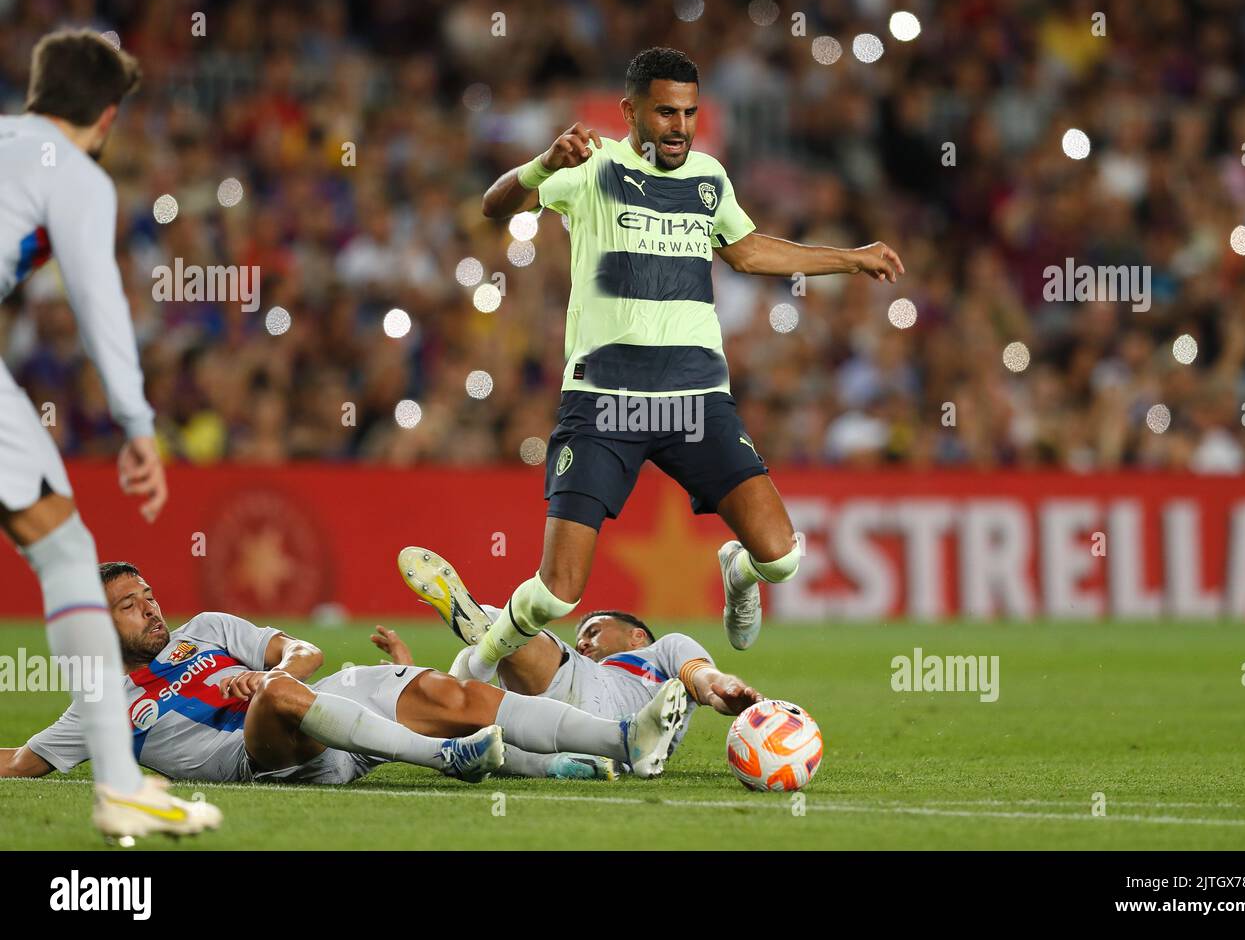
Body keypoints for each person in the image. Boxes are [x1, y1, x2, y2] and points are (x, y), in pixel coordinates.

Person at [476, 46, 903, 680]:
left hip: (696, 402)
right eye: (666, 112)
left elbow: (749, 252)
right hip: (604, 402)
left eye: (689, 113)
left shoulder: (709, 178)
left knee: (781, 557)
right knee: (559, 592)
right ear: (630, 111)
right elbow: (494, 206)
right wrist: (541, 165)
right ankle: (474, 663)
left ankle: (738, 570)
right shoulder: (590, 168)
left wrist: (850, 256)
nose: (680, 126)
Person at [0, 30, 215, 839]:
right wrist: (136, 423)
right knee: (64, 556)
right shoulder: (78, 177)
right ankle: (121, 786)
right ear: (109, 115)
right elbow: (100, 308)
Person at [0, 562, 691, 789]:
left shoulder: (206, 629)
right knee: (276, 697)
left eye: (148, 594)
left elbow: (303, 654)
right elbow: (20, 764)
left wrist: (278, 673)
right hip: (270, 758)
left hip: (326, 703)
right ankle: (442, 756)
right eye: (130, 606)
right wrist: (267, 689)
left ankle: (623, 738)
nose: (151, 608)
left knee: (456, 691)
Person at [395, 546, 763, 778]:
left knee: (505, 646)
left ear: (636, 635)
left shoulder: (663, 649)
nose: (584, 639)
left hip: (590, 691)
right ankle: (483, 640)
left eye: (595, 630)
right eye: (582, 636)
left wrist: (723, 691)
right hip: (585, 731)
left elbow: (702, 676)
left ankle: (483, 646)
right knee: (497, 692)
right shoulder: (584, 659)